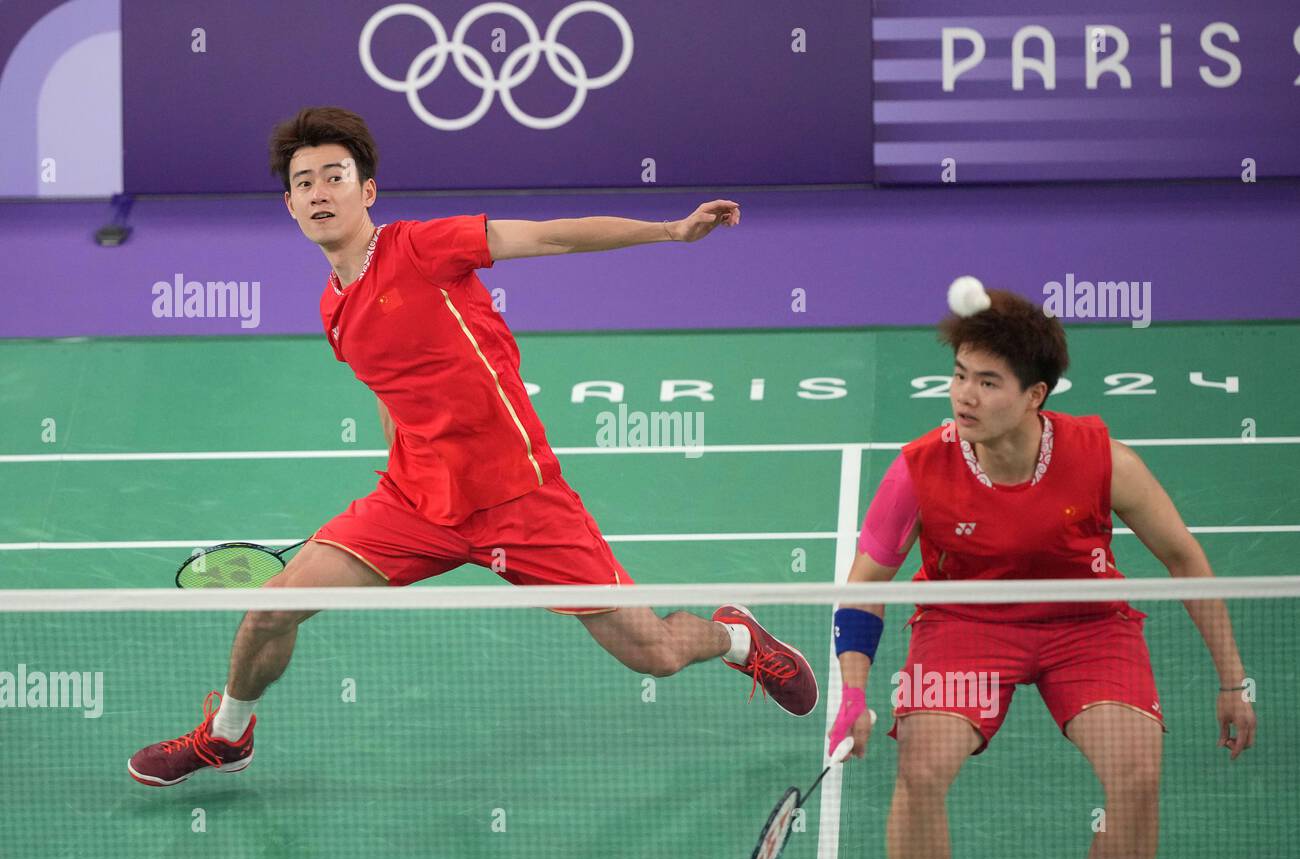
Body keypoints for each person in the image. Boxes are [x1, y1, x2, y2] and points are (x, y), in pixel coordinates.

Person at [128, 106, 818, 787]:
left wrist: (669, 230)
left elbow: (551, 238)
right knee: (270, 609)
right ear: (289, 204)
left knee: (657, 655)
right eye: (304, 182)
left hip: (522, 501)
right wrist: (400, 480)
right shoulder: (333, 309)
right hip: (415, 505)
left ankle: (737, 637)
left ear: (367, 191)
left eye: (334, 176)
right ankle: (228, 736)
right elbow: (391, 391)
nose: (319, 192)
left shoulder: (424, 249)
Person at [825, 277, 1256, 859]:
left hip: (1087, 625)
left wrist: (1232, 681)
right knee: (921, 770)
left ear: (1035, 395)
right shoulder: (919, 470)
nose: (964, 396)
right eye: (959, 375)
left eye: (987, 382)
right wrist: (852, 693)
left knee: (1137, 777)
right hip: (964, 624)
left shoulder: (1105, 460)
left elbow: (1182, 556)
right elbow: (863, 588)